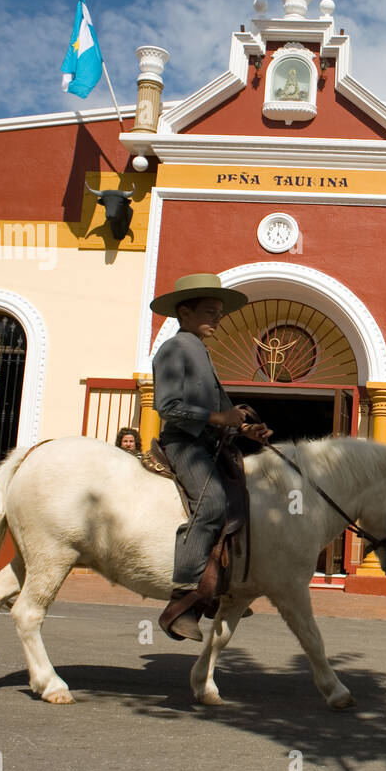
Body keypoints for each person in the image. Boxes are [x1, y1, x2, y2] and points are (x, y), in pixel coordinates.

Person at [150, 273, 272, 641]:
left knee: (244, 503)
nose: (217, 318)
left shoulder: (200, 349)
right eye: (209, 311)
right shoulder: (175, 348)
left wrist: (244, 429)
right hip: (183, 443)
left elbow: (223, 413)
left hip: (208, 443)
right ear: (184, 313)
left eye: (219, 312)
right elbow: (168, 407)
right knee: (213, 503)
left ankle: (219, 589)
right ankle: (182, 599)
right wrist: (221, 418)